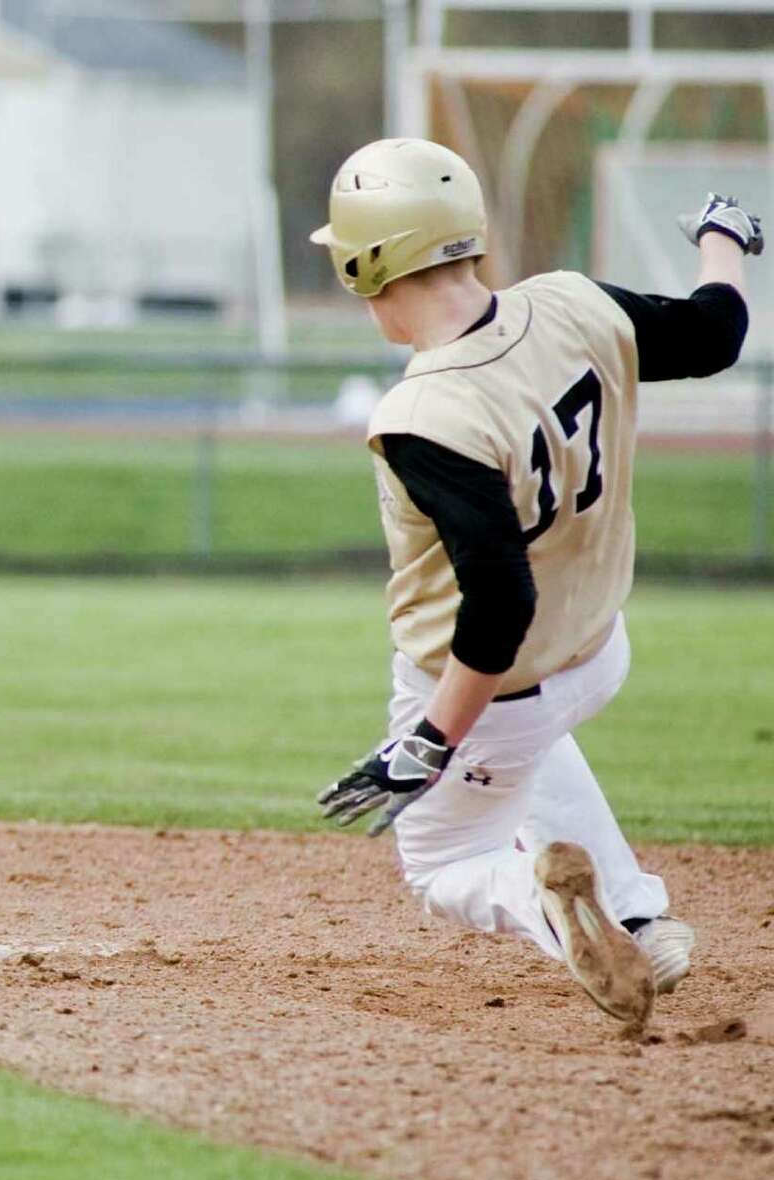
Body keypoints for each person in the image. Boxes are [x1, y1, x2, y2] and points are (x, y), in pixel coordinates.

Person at [309, 139, 758, 1027]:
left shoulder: (425, 412)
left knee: (441, 864)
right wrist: (725, 237)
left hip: (493, 684)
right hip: (597, 643)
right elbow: (714, 333)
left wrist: (430, 738)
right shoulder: (568, 303)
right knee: (533, 748)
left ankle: (547, 906)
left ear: (369, 263)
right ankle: (639, 916)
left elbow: (499, 602)